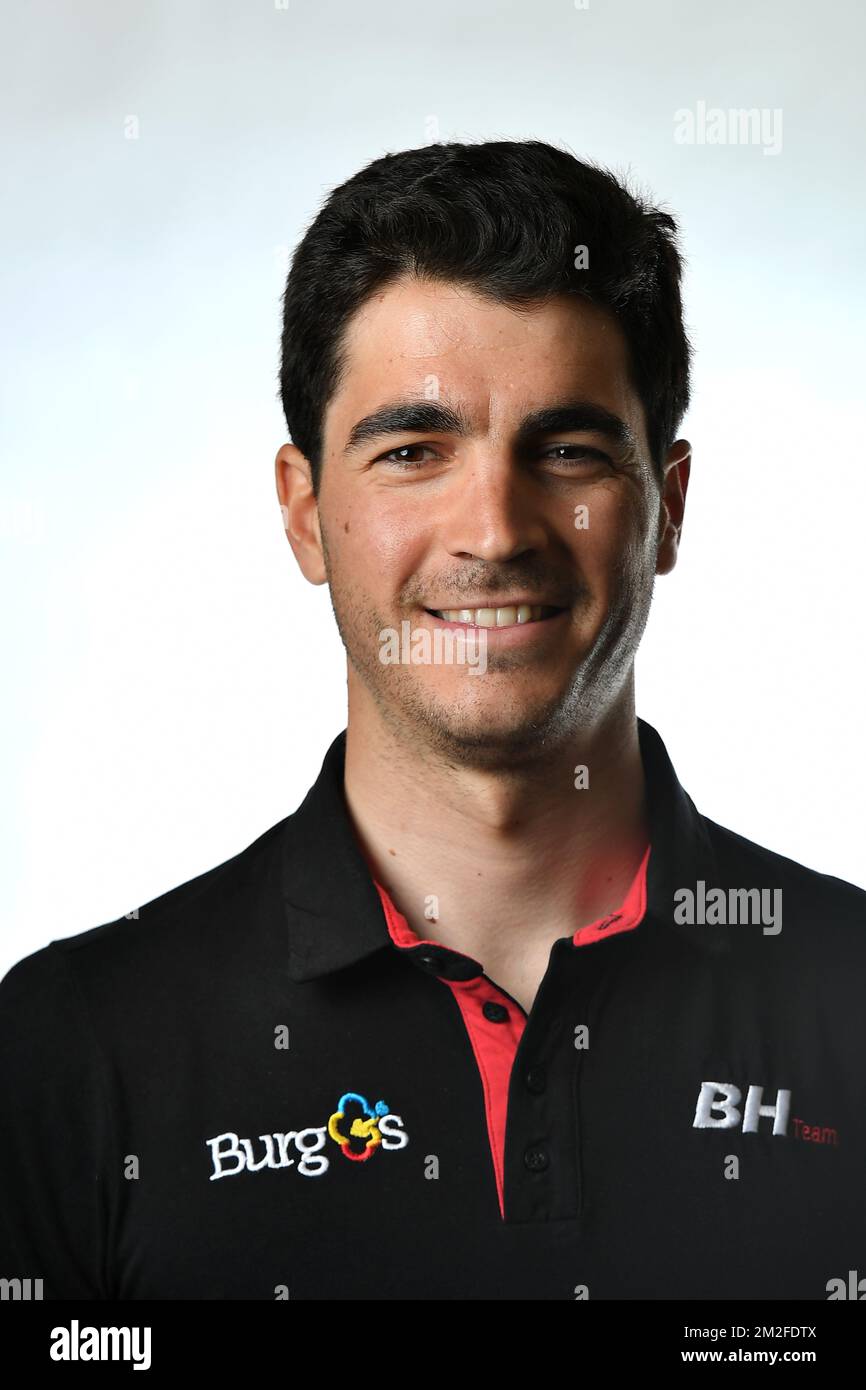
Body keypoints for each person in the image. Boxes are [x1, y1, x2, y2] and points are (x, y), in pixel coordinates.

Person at [1, 140, 863, 1302]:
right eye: (412, 451)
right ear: (305, 515)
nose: (495, 530)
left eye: (564, 451)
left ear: (666, 508)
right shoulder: (68, 1052)